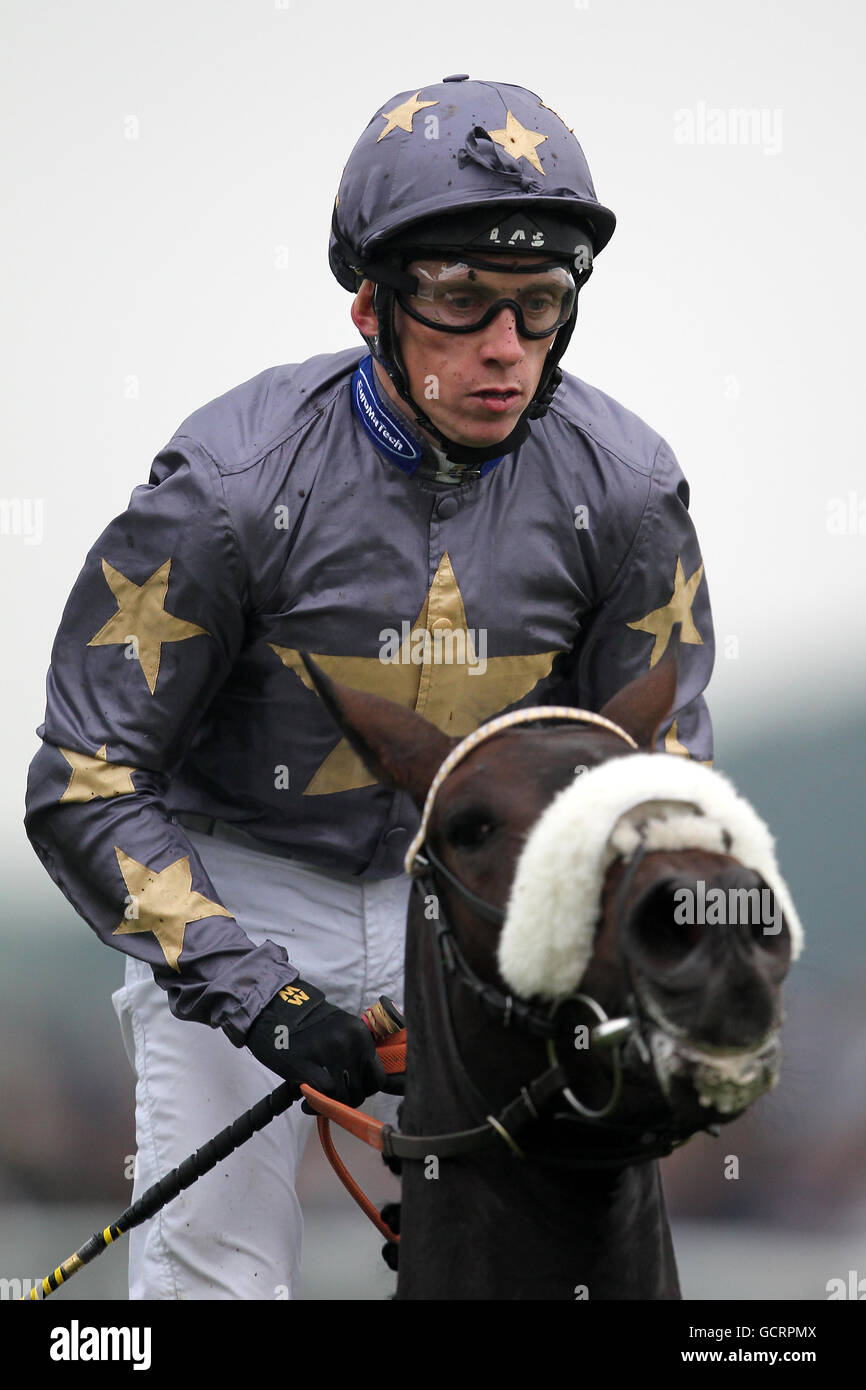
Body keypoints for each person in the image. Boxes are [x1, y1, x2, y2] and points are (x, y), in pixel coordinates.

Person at [24, 75, 715, 1300]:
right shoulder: (228, 486)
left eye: (538, 306)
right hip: (242, 886)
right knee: (211, 1278)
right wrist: (258, 991)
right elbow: (84, 779)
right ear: (369, 305)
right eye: (458, 301)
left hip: (478, 908)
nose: (503, 349)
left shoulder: (624, 486)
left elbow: (660, 789)